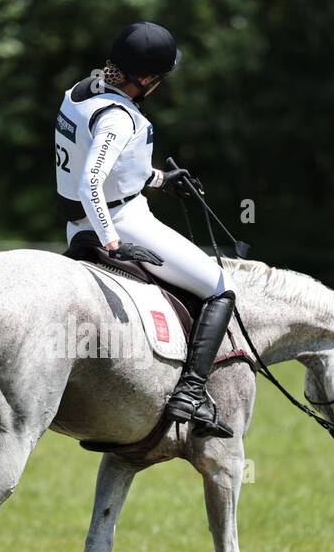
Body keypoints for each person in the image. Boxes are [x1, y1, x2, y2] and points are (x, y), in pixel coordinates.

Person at [54, 22, 235, 438]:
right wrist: (114, 243)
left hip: (76, 225)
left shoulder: (81, 91)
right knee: (220, 287)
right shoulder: (120, 118)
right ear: (148, 79)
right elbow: (91, 183)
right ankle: (190, 394)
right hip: (120, 223)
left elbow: (107, 168)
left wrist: (159, 180)